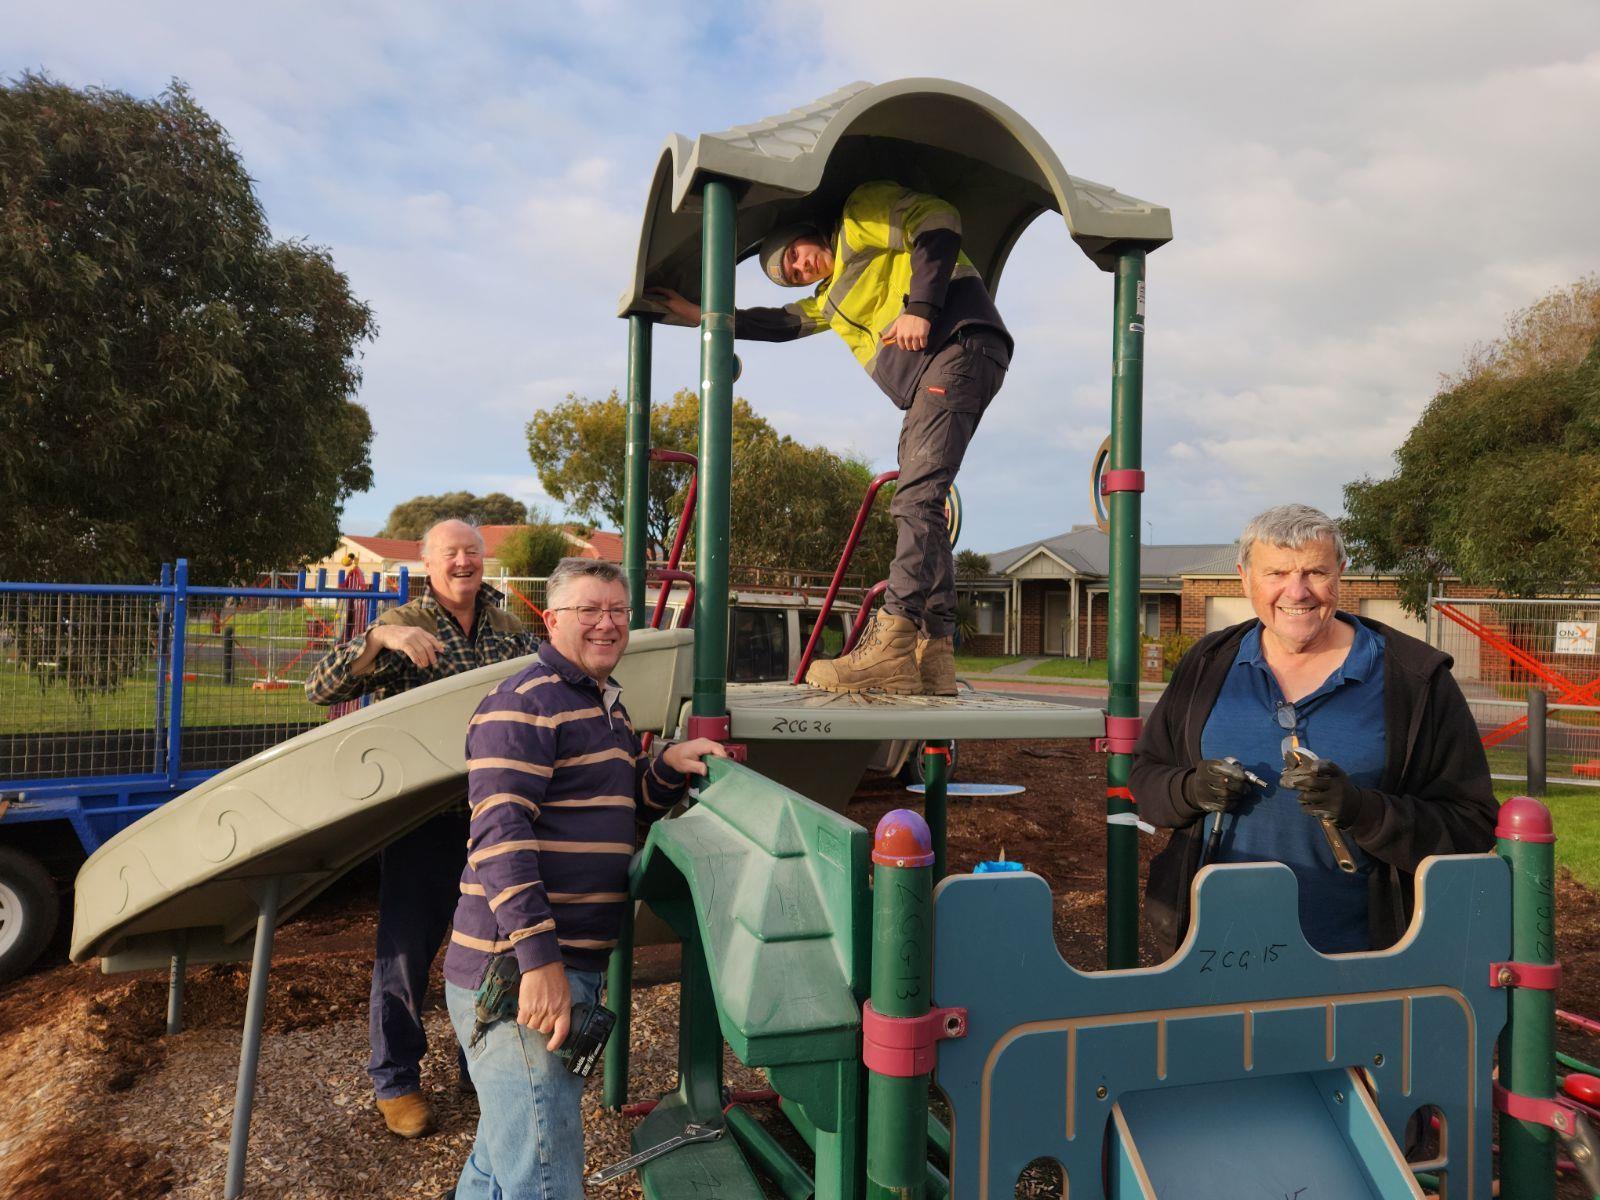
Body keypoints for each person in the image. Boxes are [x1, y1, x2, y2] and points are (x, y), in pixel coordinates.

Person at [651, 180, 1012, 696]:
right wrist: (699, 315)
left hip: (955, 342)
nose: (800, 269)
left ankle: (891, 641)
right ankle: (932, 654)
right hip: (938, 373)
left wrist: (922, 307)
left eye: (795, 256)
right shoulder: (829, 300)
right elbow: (777, 324)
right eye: (791, 274)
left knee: (914, 499)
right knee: (919, 504)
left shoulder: (857, 217)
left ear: (806, 236)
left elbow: (938, 217)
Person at [442, 557, 726, 1198]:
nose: (607, 624)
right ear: (551, 619)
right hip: (519, 972)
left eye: (618, 612)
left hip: (563, 964)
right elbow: (499, 836)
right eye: (589, 611)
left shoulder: (601, 705)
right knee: (543, 1172)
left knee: (503, 1156)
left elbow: (617, 805)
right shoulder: (524, 704)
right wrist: (539, 962)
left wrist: (667, 766)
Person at [1131, 503, 1497, 957]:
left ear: (1341, 572)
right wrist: (1191, 790)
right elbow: (1145, 777)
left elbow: (1472, 826)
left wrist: (1364, 811)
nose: (1297, 592)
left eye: (1315, 572)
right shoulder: (1208, 664)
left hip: (1364, 960)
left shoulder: (1413, 679)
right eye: (1277, 573)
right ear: (1244, 578)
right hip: (1214, 953)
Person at [304, 519, 539, 1138]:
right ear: (428, 562)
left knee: (492, 952)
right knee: (406, 952)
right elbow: (318, 689)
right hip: (422, 823)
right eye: (451, 553)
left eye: (473, 552)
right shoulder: (406, 626)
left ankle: (480, 1066)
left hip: (494, 819)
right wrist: (380, 638)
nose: (463, 562)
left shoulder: (513, 630)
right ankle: (396, 1081)